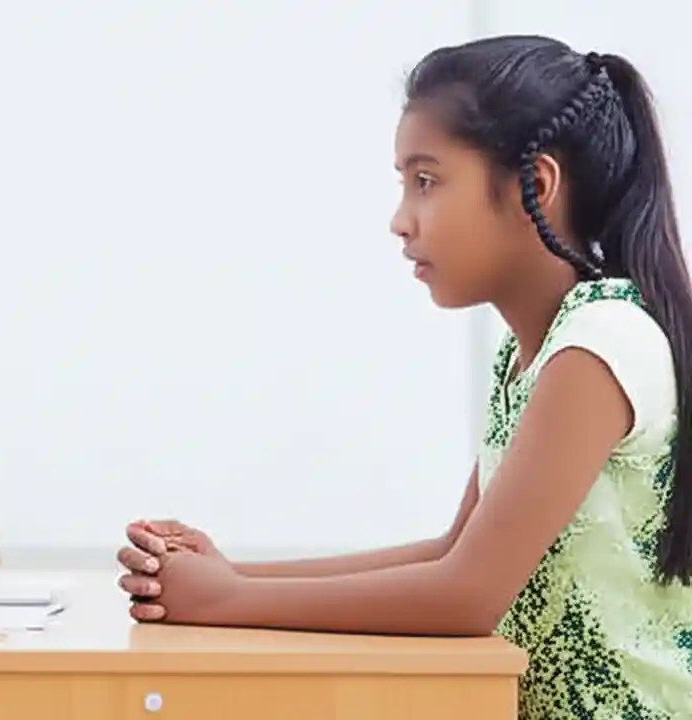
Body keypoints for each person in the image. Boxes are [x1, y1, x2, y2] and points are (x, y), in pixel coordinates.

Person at [116, 35, 692, 719]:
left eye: (426, 180)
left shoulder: (600, 345)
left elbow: (469, 593)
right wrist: (232, 572)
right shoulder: (533, 355)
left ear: (534, 186)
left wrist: (223, 600)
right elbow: (455, 551)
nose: (400, 220)